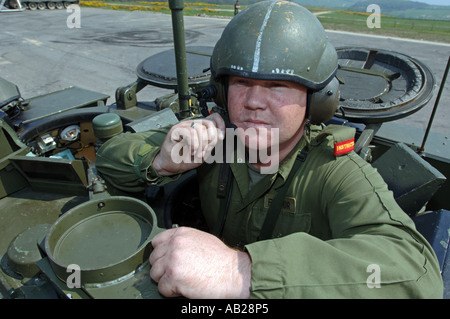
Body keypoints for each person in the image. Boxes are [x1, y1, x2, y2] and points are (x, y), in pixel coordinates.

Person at [95, 1, 443, 298]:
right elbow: (110, 159)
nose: (253, 102)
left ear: (317, 101)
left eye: (277, 85)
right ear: (221, 91)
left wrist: (241, 272)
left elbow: (415, 270)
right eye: (242, 82)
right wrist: (159, 160)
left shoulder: (335, 170)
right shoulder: (216, 139)